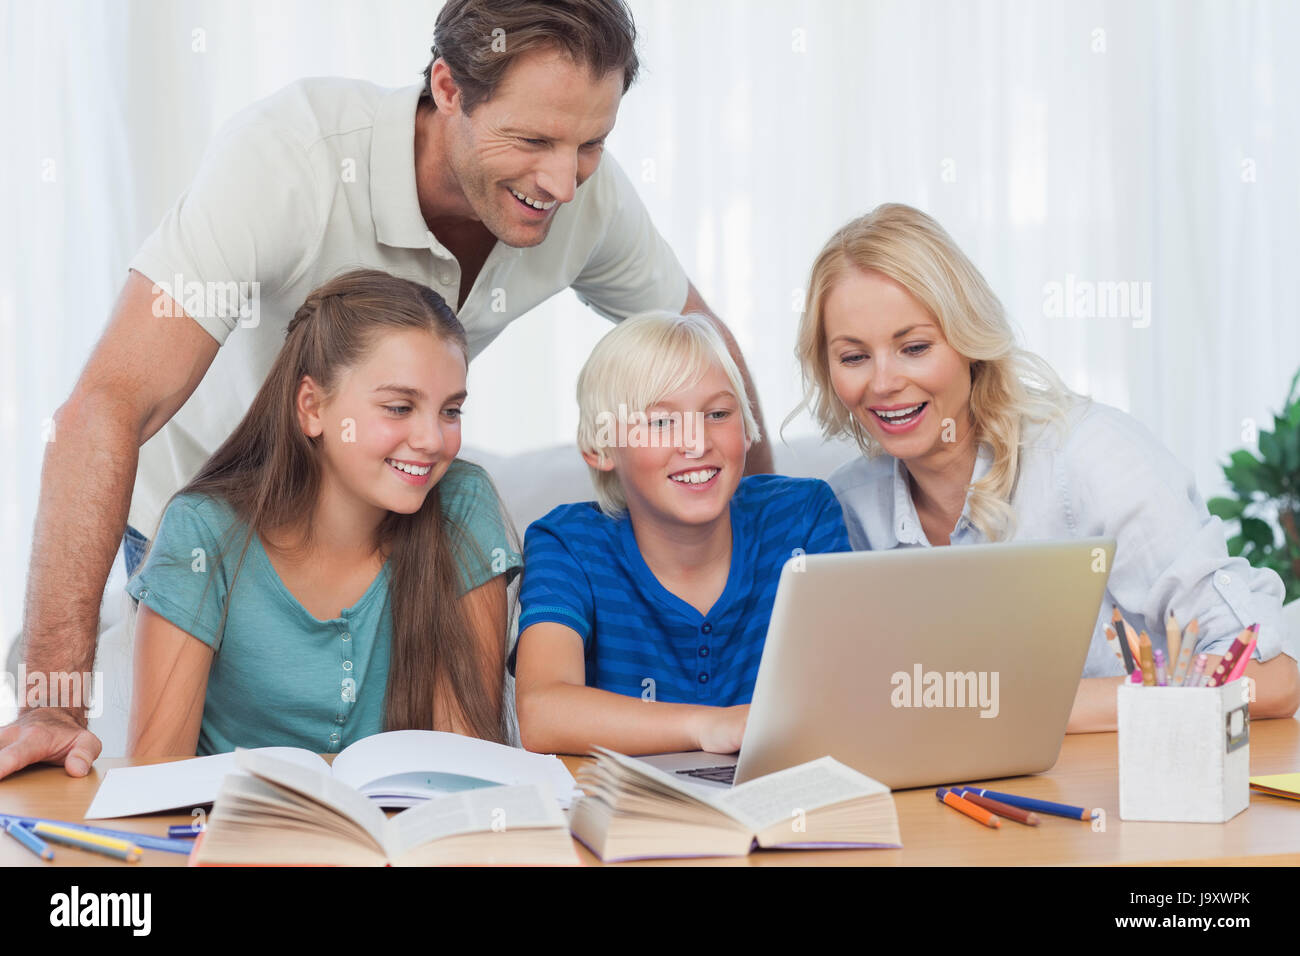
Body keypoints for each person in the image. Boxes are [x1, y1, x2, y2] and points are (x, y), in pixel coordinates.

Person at [2, 0, 773, 779]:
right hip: (207, 530)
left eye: (591, 144)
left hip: (388, 542)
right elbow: (105, 404)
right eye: (532, 140)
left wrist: (761, 549)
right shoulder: (291, 159)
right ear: (447, 87)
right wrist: (51, 704)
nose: (563, 182)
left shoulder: (587, 200)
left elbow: (708, 352)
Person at [791, 203, 1300, 732]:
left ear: (969, 340)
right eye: (853, 357)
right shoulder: (842, 507)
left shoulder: (1091, 457)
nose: (882, 382)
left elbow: (1269, 677)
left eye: (914, 347)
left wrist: (1032, 707)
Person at [127, 270, 519, 756]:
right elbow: (156, 777)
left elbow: (465, 762)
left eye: (450, 411)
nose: (433, 441)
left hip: (399, 829)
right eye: (399, 407)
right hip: (227, 828)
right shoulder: (201, 532)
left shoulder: (463, 502)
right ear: (312, 407)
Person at [513, 313, 851, 756]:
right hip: (636, 814)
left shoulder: (803, 517)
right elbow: (541, 713)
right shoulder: (568, 545)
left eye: (717, 413)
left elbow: (850, 687)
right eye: (659, 422)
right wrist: (709, 726)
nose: (696, 442)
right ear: (600, 449)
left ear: (747, 430)